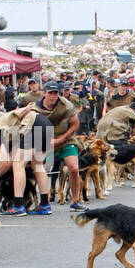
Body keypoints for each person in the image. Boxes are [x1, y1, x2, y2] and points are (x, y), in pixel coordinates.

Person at [34, 83, 81, 213]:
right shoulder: (36, 107)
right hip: (45, 141)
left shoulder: (66, 105)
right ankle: (37, 201)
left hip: (65, 139)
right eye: (50, 93)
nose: (53, 96)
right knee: (31, 166)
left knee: (74, 168)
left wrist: (61, 139)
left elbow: (75, 124)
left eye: (56, 93)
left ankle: (76, 201)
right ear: (44, 93)